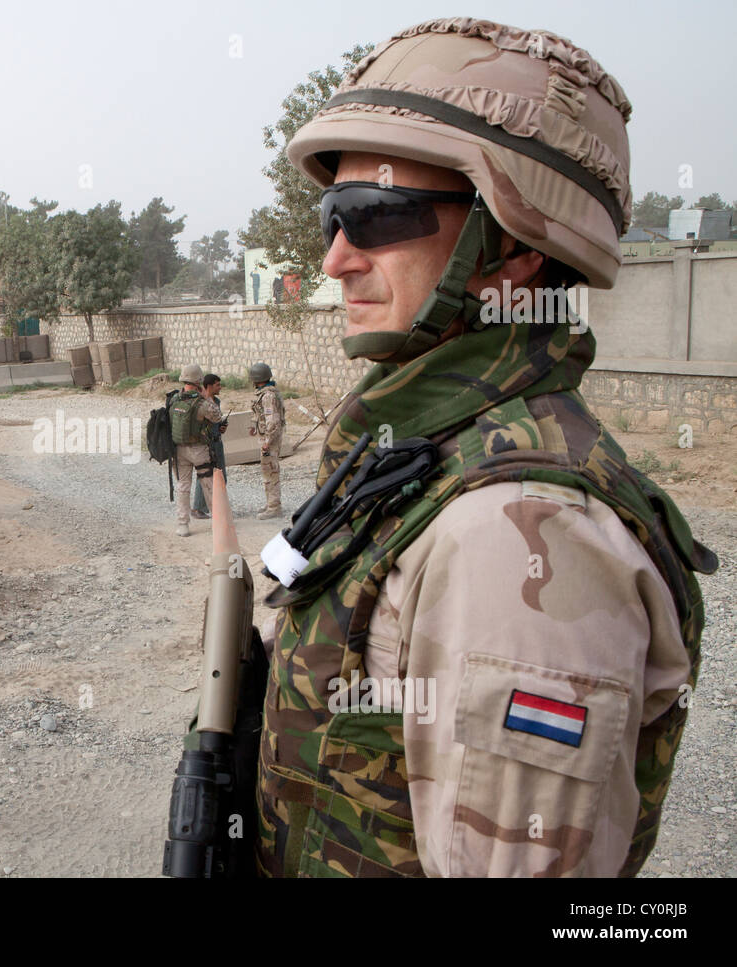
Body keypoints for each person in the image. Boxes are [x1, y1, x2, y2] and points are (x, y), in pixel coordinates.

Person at [252, 19, 715, 877]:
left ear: (511, 251)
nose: (336, 259)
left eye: (374, 216)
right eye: (330, 217)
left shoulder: (519, 531)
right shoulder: (414, 449)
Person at [169, 363, 223, 537]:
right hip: (198, 450)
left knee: (183, 487)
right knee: (208, 485)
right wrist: (206, 397)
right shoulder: (200, 403)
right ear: (199, 380)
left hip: (178, 450)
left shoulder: (174, 399)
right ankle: (218, 522)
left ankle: (182, 524)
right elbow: (217, 417)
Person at [247, 363, 284, 518]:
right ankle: (271, 502)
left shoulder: (268, 396)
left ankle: (274, 506)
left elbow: (273, 421)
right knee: (267, 471)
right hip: (267, 438)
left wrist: (267, 442)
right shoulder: (265, 393)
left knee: (270, 472)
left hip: (270, 440)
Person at [190, 374, 226, 519]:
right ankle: (198, 508)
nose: (220, 387)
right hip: (206, 444)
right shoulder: (201, 402)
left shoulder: (216, 401)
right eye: (217, 385)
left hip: (217, 442)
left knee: (221, 475)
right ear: (209, 386)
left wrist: (221, 428)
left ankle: (219, 507)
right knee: (205, 475)